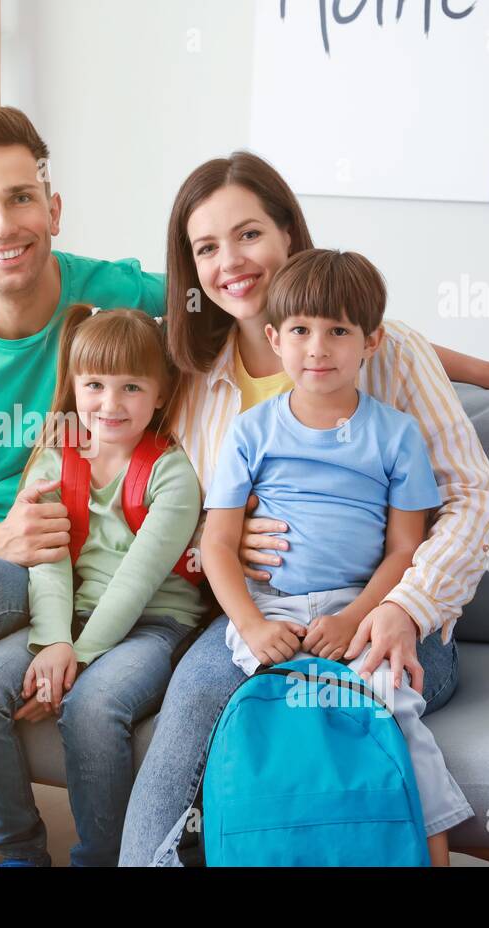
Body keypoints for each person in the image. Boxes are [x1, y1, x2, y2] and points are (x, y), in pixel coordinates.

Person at [0, 105, 489, 760]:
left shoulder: (123, 295)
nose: (4, 224)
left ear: (54, 206)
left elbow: (326, 331)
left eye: (19, 198)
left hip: (136, 571)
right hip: (0, 557)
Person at [118, 150, 489, 866]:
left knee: (333, 707)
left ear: (290, 234)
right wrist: (220, 539)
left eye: (250, 233)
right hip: (266, 610)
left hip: (389, 606)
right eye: (206, 247)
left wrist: (403, 608)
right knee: (199, 706)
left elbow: (471, 496)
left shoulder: (384, 354)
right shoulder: (198, 377)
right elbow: (188, 508)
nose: (231, 261)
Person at [200, 248, 474, 866]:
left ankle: (428, 855)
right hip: (271, 608)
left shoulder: (396, 433)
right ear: (274, 338)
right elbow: (216, 543)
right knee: (278, 716)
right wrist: (251, 624)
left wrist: (355, 620)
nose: (317, 347)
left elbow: (407, 547)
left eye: (337, 331)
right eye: (300, 330)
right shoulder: (250, 431)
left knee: (393, 710)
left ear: (370, 342)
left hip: (363, 609)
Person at [0, 305, 204, 867]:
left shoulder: (173, 473)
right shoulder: (54, 458)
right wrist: (52, 642)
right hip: (68, 619)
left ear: (160, 394)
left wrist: (77, 658)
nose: (110, 404)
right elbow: (49, 560)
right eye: (94, 385)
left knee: (92, 706)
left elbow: (138, 579)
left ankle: (101, 858)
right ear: (74, 386)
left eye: (131, 387)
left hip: (155, 624)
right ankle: (19, 852)